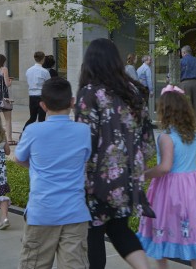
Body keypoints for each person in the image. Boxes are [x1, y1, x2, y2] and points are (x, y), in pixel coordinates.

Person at [75, 38, 154, 269]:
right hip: (129, 175)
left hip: (98, 178)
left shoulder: (89, 93)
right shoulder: (134, 91)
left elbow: (83, 140)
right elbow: (148, 140)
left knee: (94, 231)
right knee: (119, 229)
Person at [14, 77, 92, 269]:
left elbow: (18, 158)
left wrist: (37, 166)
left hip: (41, 212)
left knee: (34, 264)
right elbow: (85, 160)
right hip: (75, 213)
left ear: (42, 105)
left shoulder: (33, 131)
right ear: (72, 102)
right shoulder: (84, 131)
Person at [138, 85, 196, 268]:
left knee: (163, 226)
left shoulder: (166, 137)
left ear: (165, 111)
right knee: (193, 233)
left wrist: (144, 175)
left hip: (170, 188)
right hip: (193, 185)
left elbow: (165, 168)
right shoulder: (194, 135)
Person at [23, 50, 50, 130]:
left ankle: (24, 132)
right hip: (41, 96)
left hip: (31, 95)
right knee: (41, 118)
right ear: (43, 59)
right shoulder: (44, 71)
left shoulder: (28, 70)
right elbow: (48, 84)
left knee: (32, 117)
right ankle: (41, 135)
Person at [179, 45, 196, 120]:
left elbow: (177, 73)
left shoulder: (181, 61)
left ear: (184, 52)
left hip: (185, 83)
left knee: (186, 103)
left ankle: (187, 123)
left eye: (181, 53)